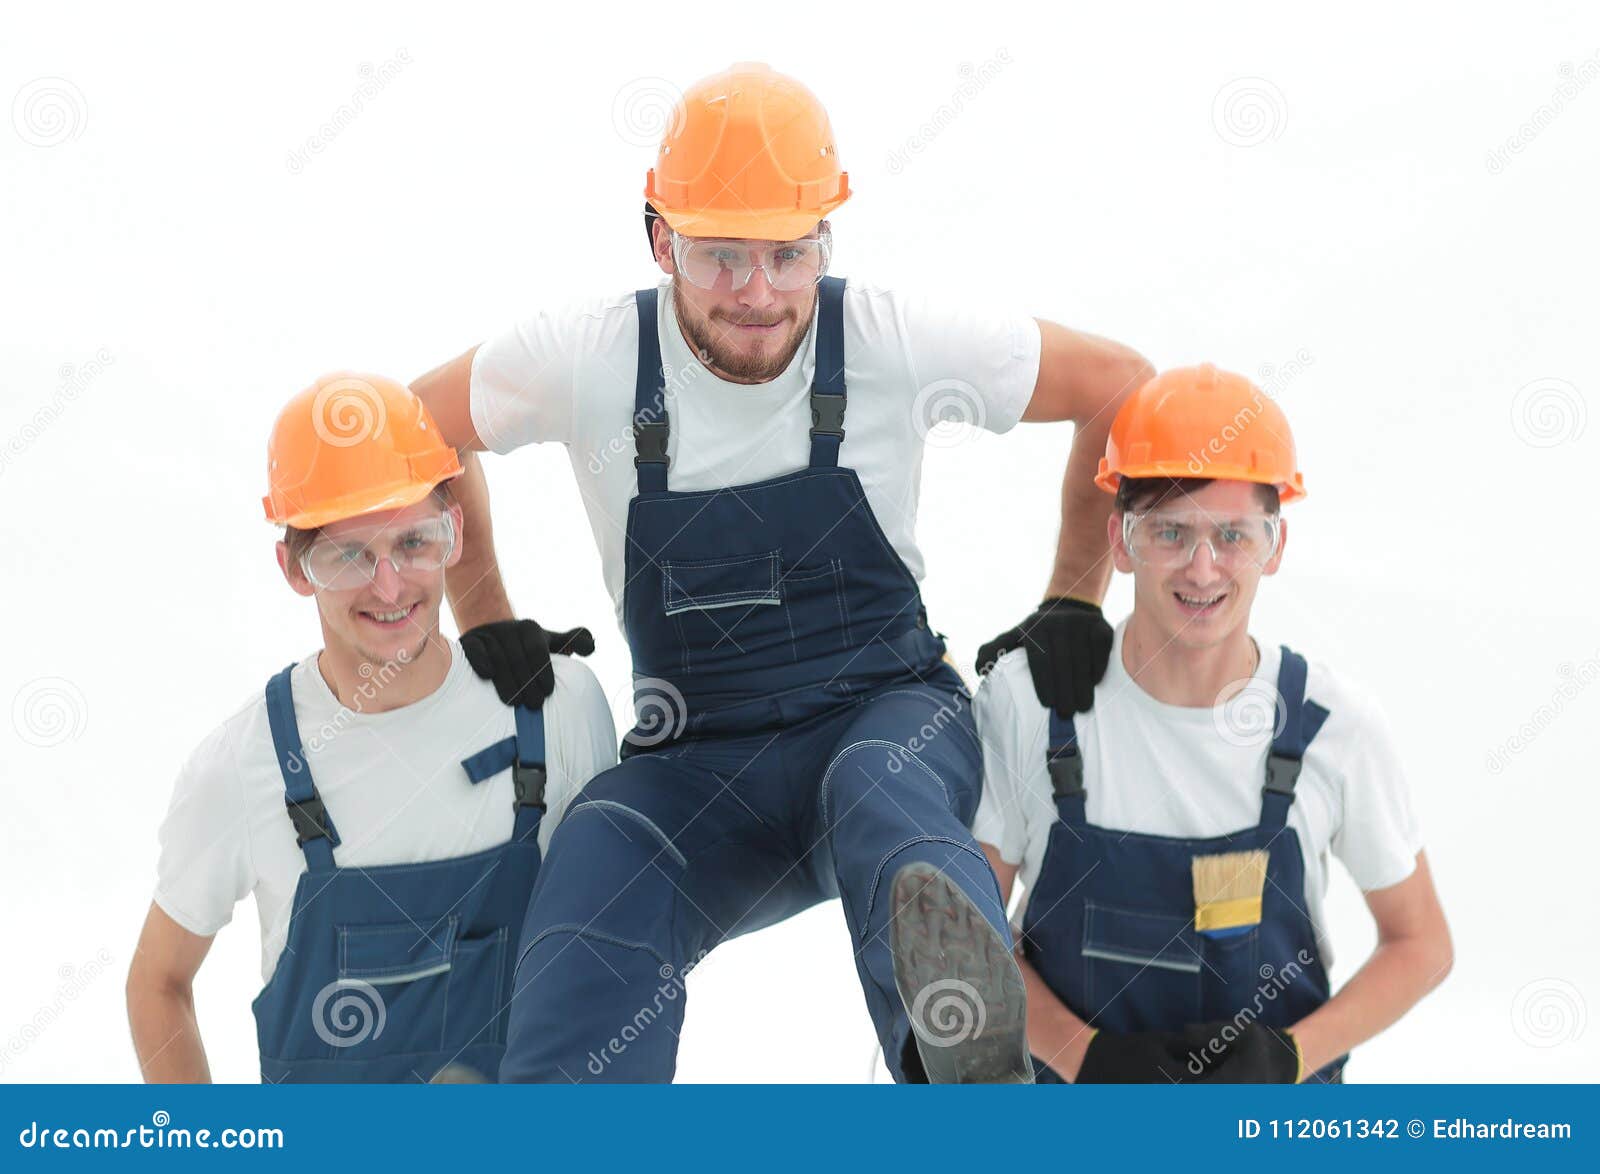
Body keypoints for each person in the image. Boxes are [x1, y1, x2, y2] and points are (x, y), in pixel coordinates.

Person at [413, 63, 1154, 1083]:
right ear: (660, 238)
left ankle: (973, 1083)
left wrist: (1072, 602)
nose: (758, 293)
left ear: (825, 240)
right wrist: (484, 611)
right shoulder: (584, 357)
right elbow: (408, 436)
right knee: (599, 850)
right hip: (696, 759)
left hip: (890, 715)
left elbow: (1119, 387)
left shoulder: (893, 339)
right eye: (720, 257)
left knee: (879, 796)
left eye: (787, 254)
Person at [125, 373, 615, 1083]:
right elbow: (157, 983)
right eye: (348, 555)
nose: (389, 587)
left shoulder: (557, 710)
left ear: (453, 536)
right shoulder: (246, 763)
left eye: (414, 541)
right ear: (295, 568)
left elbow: (614, 947)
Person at [972, 363, 1453, 1082]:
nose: (1202, 569)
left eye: (1233, 534)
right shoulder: (1031, 704)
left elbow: (1421, 945)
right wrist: (1087, 1058)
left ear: (1276, 545)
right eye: (1169, 532)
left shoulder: (1330, 726)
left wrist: (1292, 1056)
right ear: (1122, 540)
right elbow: (966, 941)